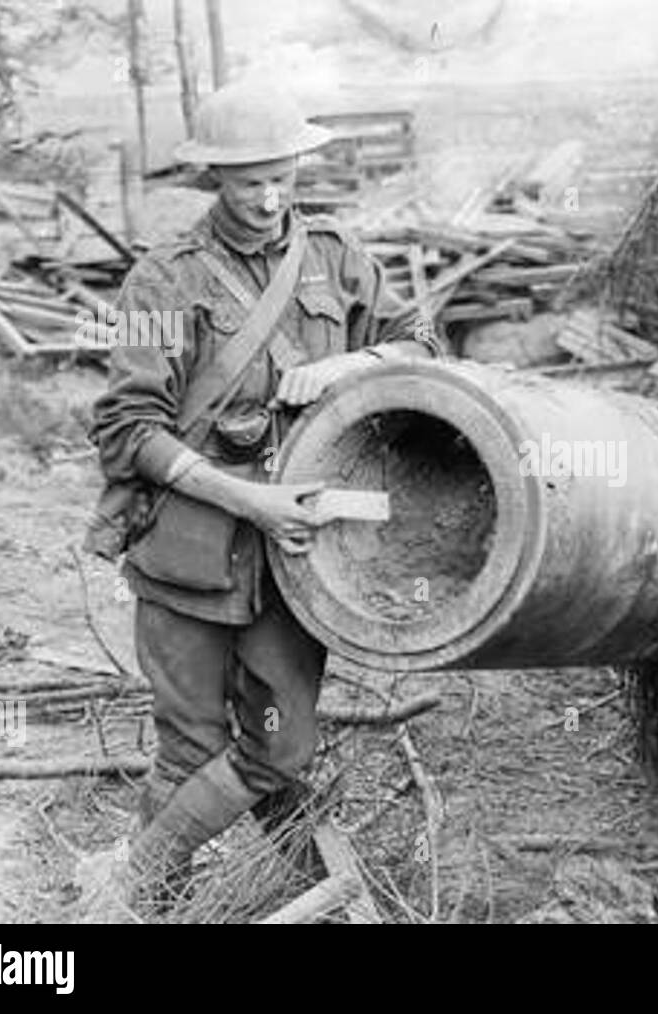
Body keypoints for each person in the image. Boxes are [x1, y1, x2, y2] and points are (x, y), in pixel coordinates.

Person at [83, 80, 438, 916]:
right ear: (216, 179)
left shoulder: (338, 258)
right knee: (188, 750)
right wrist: (250, 501)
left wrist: (354, 365)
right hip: (190, 559)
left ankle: (139, 880)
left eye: (284, 178)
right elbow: (129, 429)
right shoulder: (161, 281)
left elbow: (420, 344)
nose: (271, 200)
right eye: (251, 185)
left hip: (295, 565)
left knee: (280, 747)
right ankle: (148, 903)